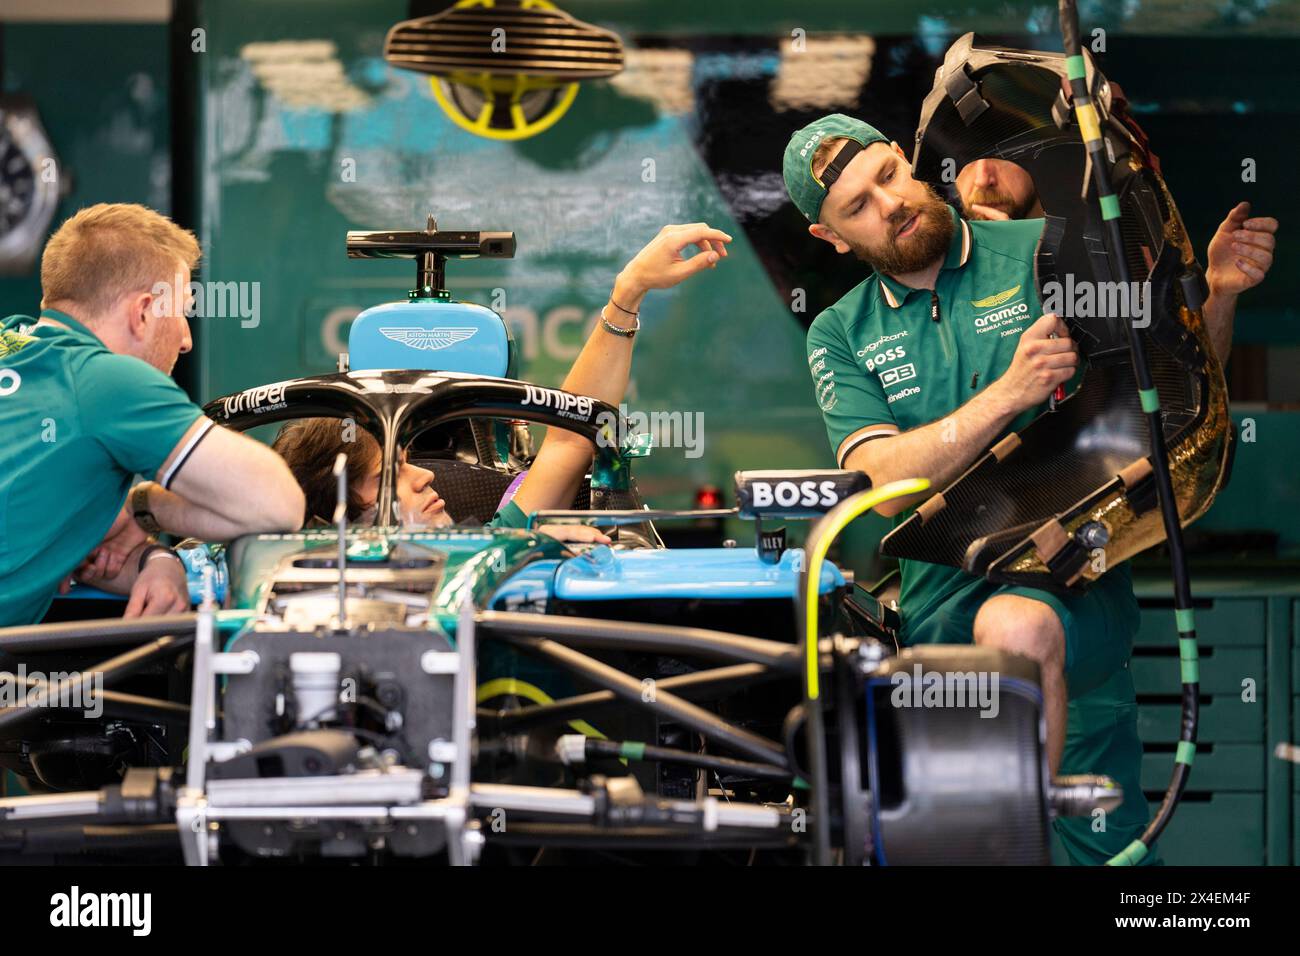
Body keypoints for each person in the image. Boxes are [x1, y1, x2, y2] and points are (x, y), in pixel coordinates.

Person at [784, 113, 1150, 864]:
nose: (888, 203)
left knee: (1110, 863)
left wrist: (1216, 297)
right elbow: (884, 486)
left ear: (903, 156)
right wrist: (1010, 392)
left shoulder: (1046, 247)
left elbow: (1169, 396)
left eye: (888, 175)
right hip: (937, 640)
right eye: (856, 206)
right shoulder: (840, 333)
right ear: (832, 238)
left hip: (1071, 600)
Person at [273, 223, 733, 540]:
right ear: (326, 516)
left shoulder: (493, 548)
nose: (427, 475)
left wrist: (628, 292)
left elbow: (573, 437)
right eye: (387, 474)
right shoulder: (278, 586)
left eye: (407, 460)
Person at [0, 203, 306, 626]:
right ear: (143, 312)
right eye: (180, 311)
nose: (185, 340)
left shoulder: (12, 341)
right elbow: (279, 504)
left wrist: (156, 556)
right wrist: (143, 507)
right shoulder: (104, 381)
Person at [955, 156, 1277, 362]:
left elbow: (1193, 375)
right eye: (966, 161)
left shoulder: (1108, 255)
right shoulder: (933, 279)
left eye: (998, 158)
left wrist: (1219, 291)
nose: (983, 177)